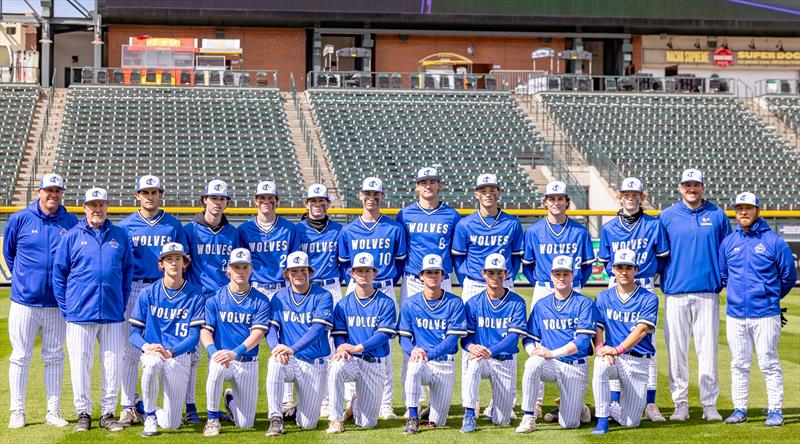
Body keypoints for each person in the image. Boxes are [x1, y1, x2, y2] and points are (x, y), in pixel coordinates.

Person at [52, 187, 132, 432]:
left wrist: (120, 301)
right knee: (80, 364)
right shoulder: (71, 236)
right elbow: (59, 275)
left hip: (111, 313)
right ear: (84, 207)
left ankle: (107, 414)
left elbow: (127, 273)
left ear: (107, 206)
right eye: (92, 205)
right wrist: (68, 308)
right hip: (79, 314)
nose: (97, 209)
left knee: (112, 364)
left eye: (101, 204)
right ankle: (83, 413)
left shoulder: (120, 234)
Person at [5, 173, 77, 429]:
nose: (53, 195)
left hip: (57, 303)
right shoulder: (21, 218)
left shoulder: (70, 221)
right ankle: (17, 410)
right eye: (49, 190)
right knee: (20, 356)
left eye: (58, 190)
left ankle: (53, 411)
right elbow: (9, 253)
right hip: (24, 302)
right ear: (39, 191)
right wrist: (25, 280)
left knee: (55, 357)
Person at [659, 169, 730, 422]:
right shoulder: (666, 216)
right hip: (675, 292)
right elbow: (660, 255)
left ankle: (709, 403)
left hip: (707, 292)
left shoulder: (718, 215)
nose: (691, 189)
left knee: (707, 351)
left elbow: (727, 252)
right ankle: (680, 404)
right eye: (687, 184)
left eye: (695, 184)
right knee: (676, 351)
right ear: (680, 188)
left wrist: (722, 279)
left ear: (703, 187)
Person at [118, 175, 189, 426]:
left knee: (171, 345)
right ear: (137, 195)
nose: (150, 196)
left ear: (161, 195)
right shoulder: (126, 225)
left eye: (154, 192)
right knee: (130, 350)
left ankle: (172, 405)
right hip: (136, 286)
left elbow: (182, 259)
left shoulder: (172, 225)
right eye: (145, 192)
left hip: (166, 289)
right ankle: (128, 404)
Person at [720, 192, 796, 427]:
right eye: (739, 208)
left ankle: (775, 410)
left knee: (769, 363)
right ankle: (739, 408)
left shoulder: (774, 241)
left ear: (757, 211)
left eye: (748, 208)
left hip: (765, 313)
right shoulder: (729, 242)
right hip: (735, 314)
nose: (743, 212)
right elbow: (725, 275)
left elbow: (788, 277)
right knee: (738, 363)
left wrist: (769, 296)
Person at [521, 180, 594, 420]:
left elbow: (585, 266)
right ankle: (537, 402)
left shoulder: (579, 231)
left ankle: (573, 398)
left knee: (576, 339)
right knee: (538, 342)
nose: (556, 202)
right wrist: (542, 283)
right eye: (551, 199)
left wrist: (574, 284)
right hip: (544, 287)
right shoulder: (533, 231)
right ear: (545, 203)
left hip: (574, 287)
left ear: (567, 202)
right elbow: (529, 266)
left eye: (560, 198)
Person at [597, 177, 668, 422]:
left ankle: (649, 403)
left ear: (641, 196)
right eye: (626, 193)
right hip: (615, 281)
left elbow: (661, 258)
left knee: (646, 346)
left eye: (635, 193)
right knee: (613, 338)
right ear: (620, 196)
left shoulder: (653, 224)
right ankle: (615, 398)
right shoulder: (609, 227)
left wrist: (647, 277)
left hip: (644, 282)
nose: (630, 197)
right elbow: (606, 260)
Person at [338, 177, 406, 420]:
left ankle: (385, 402)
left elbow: (400, 262)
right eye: (367, 193)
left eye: (376, 193)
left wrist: (386, 280)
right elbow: (345, 263)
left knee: (383, 344)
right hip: (356, 287)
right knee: (349, 341)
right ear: (360, 195)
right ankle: (350, 399)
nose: (371, 197)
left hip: (384, 286)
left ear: (382, 197)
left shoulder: (394, 228)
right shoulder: (348, 230)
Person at [395, 167, 461, 415]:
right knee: (410, 335)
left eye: (432, 181)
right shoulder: (405, 215)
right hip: (413, 278)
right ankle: (414, 399)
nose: (428, 186)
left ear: (439, 185)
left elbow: (457, 251)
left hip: (441, 278)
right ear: (416, 186)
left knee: (443, 335)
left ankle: (440, 394)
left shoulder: (451, 216)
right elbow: (401, 251)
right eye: (423, 182)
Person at [128, 242, 204, 436]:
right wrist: (147, 347)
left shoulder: (195, 294)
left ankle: (143, 405)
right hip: (154, 352)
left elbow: (194, 336)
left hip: (178, 355)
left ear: (185, 263)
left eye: (178, 258)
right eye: (169, 259)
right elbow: (133, 333)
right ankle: (150, 417)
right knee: (152, 364)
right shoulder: (148, 293)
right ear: (161, 264)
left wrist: (171, 352)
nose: (174, 263)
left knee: (171, 424)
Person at [183, 179, 243, 422]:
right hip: (197, 299)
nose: (217, 203)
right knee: (192, 355)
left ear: (227, 202)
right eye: (213, 198)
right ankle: (190, 407)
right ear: (204, 200)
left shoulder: (233, 233)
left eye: (222, 199)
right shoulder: (189, 230)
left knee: (221, 355)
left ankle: (220, 404)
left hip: (223, 301)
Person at [517, 255, 595, 433]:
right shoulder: (541, 305)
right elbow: (529, 337)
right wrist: (534, 352)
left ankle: (580, 407)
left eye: (565, 274)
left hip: (575, 365)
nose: (561, 277)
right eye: (557, 273)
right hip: (551, 364)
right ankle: (528, 416)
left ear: (572, 276)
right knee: (532, 363)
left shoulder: (583, 303)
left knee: (569, 424)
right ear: (551, 276)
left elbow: (583, 341)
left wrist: (552, 353)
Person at [200, 248, 271, 437]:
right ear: (228, 270)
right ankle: (212, 418)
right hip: (223, 358)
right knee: (215, 366)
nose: (240, 271)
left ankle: (229, 399)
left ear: (251, 270)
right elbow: (206, 330)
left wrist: (236, 352)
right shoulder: (215, 298)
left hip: (247, 361)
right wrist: (213, 351)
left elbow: (258, 333)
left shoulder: (261, 300)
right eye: (236, 267)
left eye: (244, 267)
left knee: (246, 424)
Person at [326, 252, 397, 434]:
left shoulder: (386, 302)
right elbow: (339, 334)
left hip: (373, 362)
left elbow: (383, 335)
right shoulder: (343, 304)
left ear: (374, 273)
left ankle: (355, 403)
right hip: (351, 360)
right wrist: (342, 347)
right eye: (359, 270)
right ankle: (335, 419)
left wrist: (358, 347)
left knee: (367, 423)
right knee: (335, 367)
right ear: (352, 273)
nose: (363, 274)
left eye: (367, 270)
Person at [591, 249, 660, 435]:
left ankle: (599, 409)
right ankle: (602, 420)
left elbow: (641, 331)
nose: (623, 271)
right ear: (612, 269)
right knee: (600, 366)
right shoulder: (603, 297)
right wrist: (600, 348)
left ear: (636, 270)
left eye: (628, 267)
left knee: (631, 422)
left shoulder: (649, 298)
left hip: (638, 360)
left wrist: (617, 349)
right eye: (619, 267)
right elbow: (598, 328)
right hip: (614, 358)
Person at [397, 254, 467, 434]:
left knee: (439, 421)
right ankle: (413, 416)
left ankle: (432, 410)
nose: (433, 276)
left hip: (444, 362)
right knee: (413, 366)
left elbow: (452, 339)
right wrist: (413, 350)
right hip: (422, 362)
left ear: (443, 276)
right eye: (429, 272)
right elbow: (404, 337)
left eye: (437, 272)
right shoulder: (410, 303)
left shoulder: (455, 302)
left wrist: (429, 354)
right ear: (421, 276)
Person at [266, 251, 333, 436]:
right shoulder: (279, 297)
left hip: (313, 362)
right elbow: (271, 329)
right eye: (294, 271)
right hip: (289, 360)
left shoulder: (323, 296)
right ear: (287, 274)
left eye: (303, 270)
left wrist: (292, 348)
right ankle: (276, 418)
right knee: (274, 363)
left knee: (308, 424)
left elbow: (318, 329)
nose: (299, 275)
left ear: (309, 272)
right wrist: (275, 349)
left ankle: (295, 410)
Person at [459, 254, 528, 433]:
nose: (495, 277)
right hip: (482, 358)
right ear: (483, 274)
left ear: (506, 274)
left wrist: (489, 350)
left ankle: (492, 410)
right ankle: (469, 413)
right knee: (472, 363)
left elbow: (513, 338)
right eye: (491, 272)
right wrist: (471, 347)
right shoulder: (473, 303)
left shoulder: (517, 302)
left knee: (502, 421)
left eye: (499, 273)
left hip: (504, 359)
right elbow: (466, 339)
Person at [295, 183, 343, 417]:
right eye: (313, 201)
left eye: (321, 201)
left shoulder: (337, 230)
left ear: (327, 204)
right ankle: (291, 400)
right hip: (306, 289)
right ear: (306, 204)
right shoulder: (298, 231)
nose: (317, 204)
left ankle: (330, 398)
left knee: (332, 344)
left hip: (331, 287)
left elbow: (344, 262)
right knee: (302, 339)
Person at [452, 173, 523, 301]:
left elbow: (516, 256)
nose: (488, 194)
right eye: (483, 191)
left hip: (503, 281)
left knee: (504, 320)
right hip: (474, 282)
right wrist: (464, 282)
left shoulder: (512, 223)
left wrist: (509, 277)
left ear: (498, 193)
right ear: (476, 194)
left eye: (492, 190)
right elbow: (459, 258)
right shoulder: (465, 224)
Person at [239, 180, 300, 299]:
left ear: (277, 201)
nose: (266, 201)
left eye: (270, 197)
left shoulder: (289, 229)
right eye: (262, 197)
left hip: (283, 286)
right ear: (255, 200)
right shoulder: (244, 230)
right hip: (255, 287)